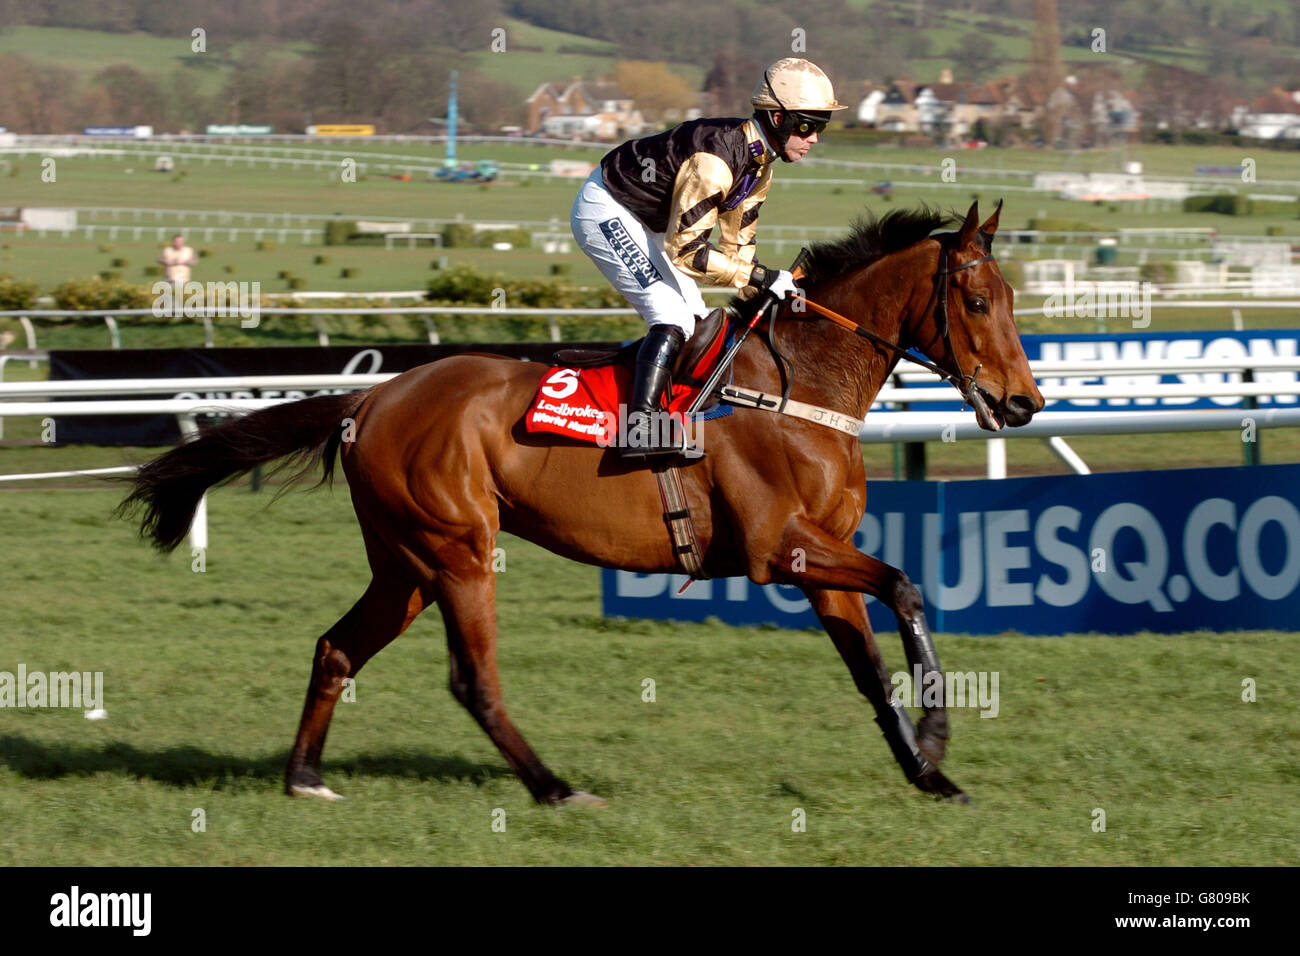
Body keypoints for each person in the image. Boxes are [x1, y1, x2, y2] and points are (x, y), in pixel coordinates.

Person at [570, 57, 846, 458]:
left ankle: (674, 413)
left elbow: (739, 244)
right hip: (608, 207)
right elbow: (686, 252)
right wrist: (760, 277)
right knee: (671, 315)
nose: (815, 138)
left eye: (821, 127)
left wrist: (766, 290)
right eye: (807, 126)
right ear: (778, 118)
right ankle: (640, 428)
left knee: (697, 319)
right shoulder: (715, 161)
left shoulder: (759, 166)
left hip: (651, 220)